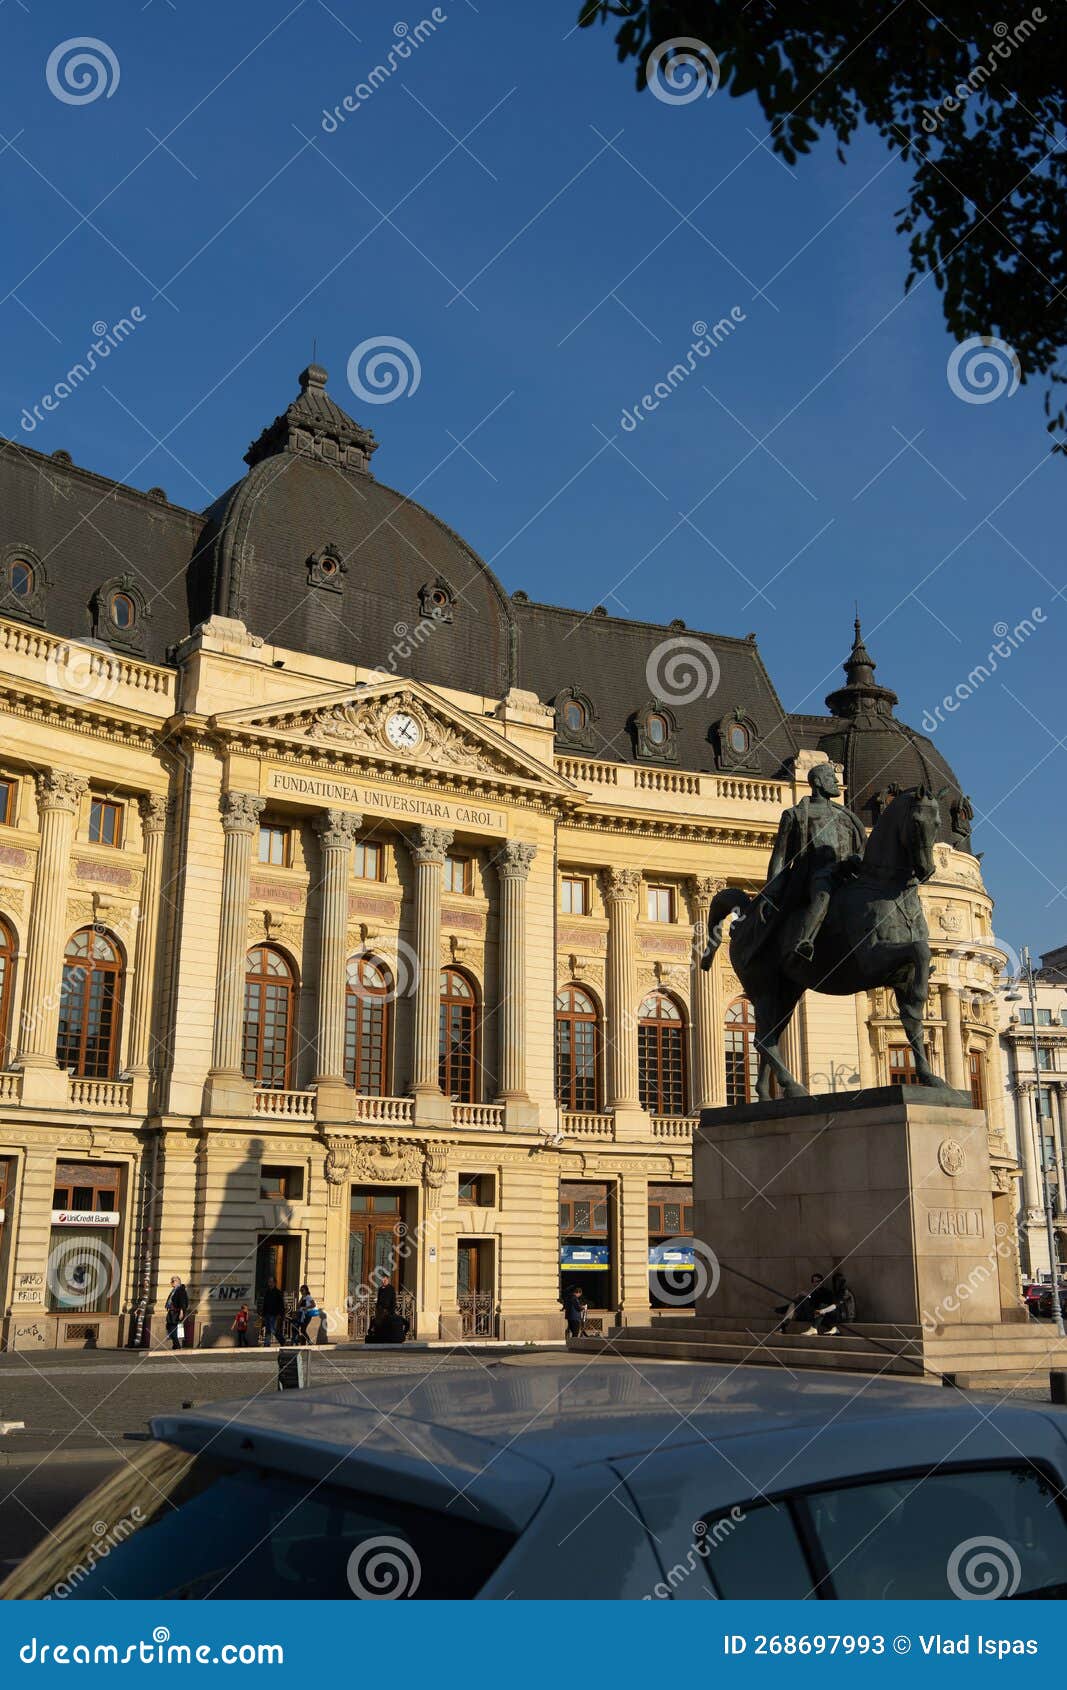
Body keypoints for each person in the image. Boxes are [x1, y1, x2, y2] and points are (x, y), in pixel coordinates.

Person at [758, 761, 866, 962]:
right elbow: (781, 856)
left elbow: (863, 850)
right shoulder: (796, 815)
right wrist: (770, 892)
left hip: (848, 875)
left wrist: (858, 860)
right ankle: (805, 940)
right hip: (817, 875)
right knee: (823, 895)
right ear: (817, 782)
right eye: (829, 778)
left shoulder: (848, 817)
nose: (835, 781)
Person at [365, 1277, 408, 1344]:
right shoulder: (380, 1289)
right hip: (380, 1310)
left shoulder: (391, 1288)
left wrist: (391, 1311)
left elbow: (393, 1300)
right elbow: (379, 1300)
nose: (383, 1281)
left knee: (384, 1323)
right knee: (377, 1322)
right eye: (382, 1280)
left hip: (389, 1310)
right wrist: (377, 1309)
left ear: (388, 1280)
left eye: (385, 1280)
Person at [164, 1276, 189, 1351]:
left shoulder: (180, 1290)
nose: (171, 1282)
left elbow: (183, 1302)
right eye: (171, 1281)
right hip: (171, 1312)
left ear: (178, 1282)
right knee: (169, 1326)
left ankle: (177, 1345)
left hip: (176, 1312)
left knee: (172, 1328)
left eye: (173, 1281)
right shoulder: (174, 1290)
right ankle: (175, 1344)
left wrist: (181, 1312)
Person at [260, 1277, 285, 1346]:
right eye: (269, 1282)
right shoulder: (267, 1292)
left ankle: (282, 1340)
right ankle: (267, 1344)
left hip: (275, 1314)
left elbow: (281, 1304)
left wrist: (280, 1314)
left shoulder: (278, 1292)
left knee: (273, 1329)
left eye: (271, 1282)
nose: (269, 1283)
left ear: (274, 1283)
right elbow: (265, 1304)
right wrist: (263, 1314)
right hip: (267, 1313)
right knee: (268, 1329)